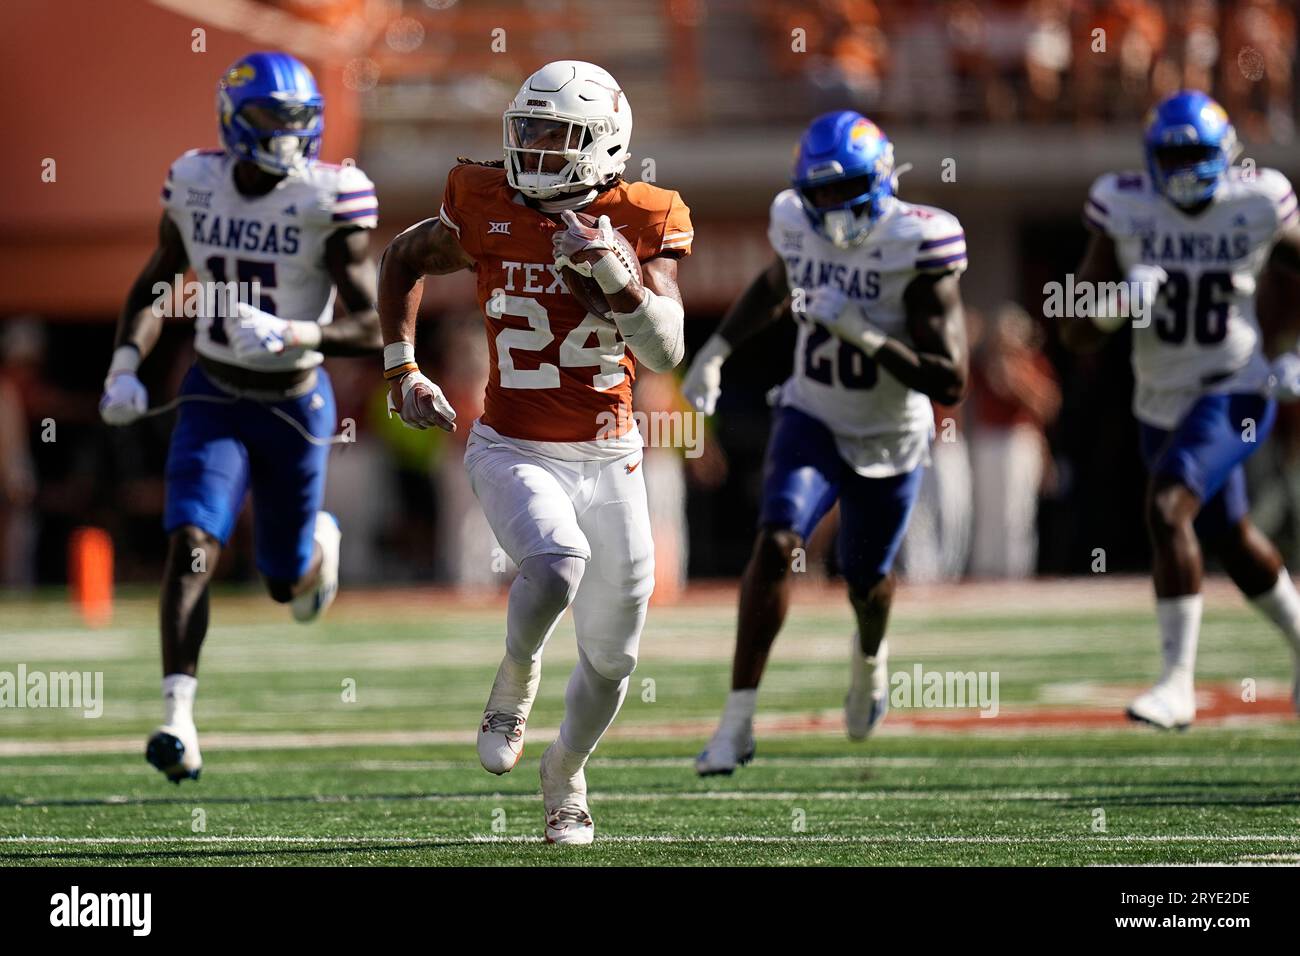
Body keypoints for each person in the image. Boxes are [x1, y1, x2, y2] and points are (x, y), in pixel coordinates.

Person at [376, 61, 691, 844]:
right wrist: (401, 365)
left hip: (612, 456)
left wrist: (616, 275)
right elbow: (402, 258)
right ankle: (514, 679)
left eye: (557, 135)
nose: (537, 148)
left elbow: (666, 350)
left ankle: (566, 773)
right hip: (511, 444)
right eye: (530, 130)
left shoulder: (641, 215)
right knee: (556, 563)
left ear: (603, 144)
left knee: (614, 663)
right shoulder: (484, 202)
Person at [99, 51, 381, 782]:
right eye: (271, 122)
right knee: (192, 543)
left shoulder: (329, 197)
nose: (288, 139)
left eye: (299, 124)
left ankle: (317, 552)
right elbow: (158, 281)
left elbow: (375, 324)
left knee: (283, 581)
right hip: (214, 395)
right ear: (235, 122)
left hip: (294, 402)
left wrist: (300, 333)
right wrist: (126, 364)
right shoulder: (196, 182)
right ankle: (178, 718)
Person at [682, 111, 968, 775]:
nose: (833, 208)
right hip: (812, 411)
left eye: (847, 191)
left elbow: (950, 378)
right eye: (822, 195)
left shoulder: (917, 242)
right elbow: (777, 284)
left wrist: (863, 333)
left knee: (866, 581)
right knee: (777, 541)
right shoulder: (793, 220)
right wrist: (716, 351)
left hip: (892, 433)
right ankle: (737, 722)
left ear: (882, 180)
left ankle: (870, 662)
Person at [1063, 89, 1300, 728]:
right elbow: (1073, 327)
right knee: (1230, 537)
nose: (1185, 169)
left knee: (1169, 507)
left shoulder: (1254, 203)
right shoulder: (1126, 205)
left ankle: (1176, 685)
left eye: (1197, 155)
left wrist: (1295, 351)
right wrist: (1113, 303)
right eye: (1172, 156)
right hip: (1158, 401)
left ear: (1226, 155)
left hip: (1234, 387)